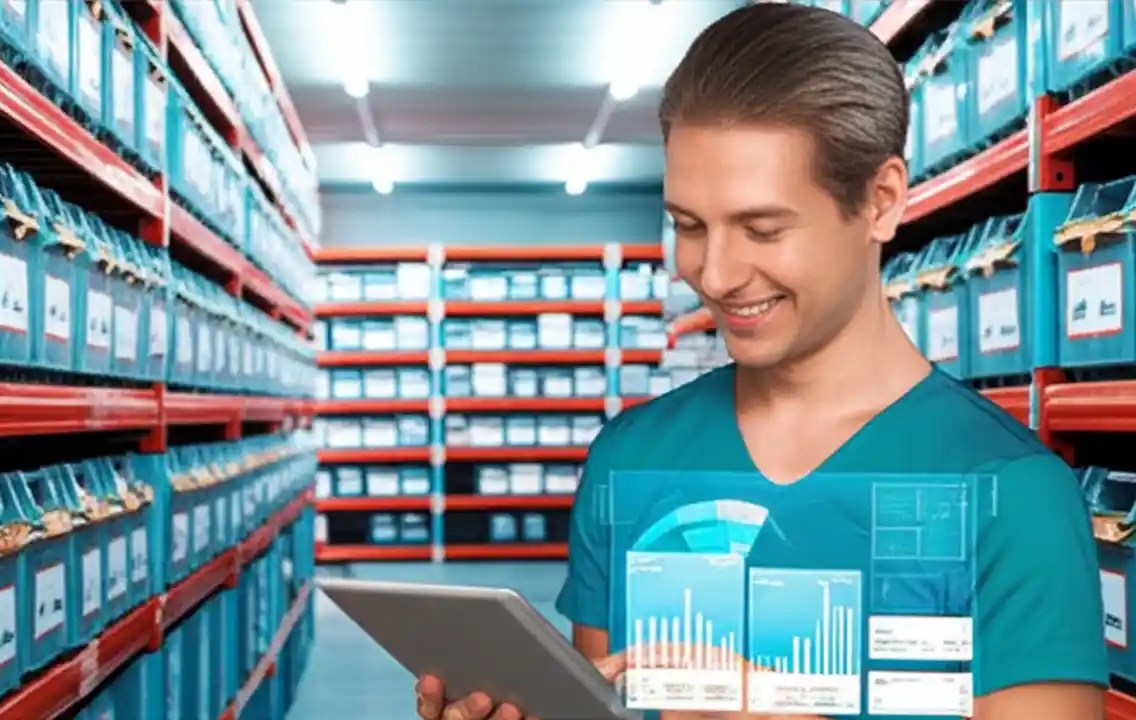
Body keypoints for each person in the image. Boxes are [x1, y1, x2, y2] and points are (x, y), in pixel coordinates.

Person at [415, 3, 1108, 719]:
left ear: (880, 201)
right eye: (689, 226)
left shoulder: (1013, 495)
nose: (714, 274)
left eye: (762, 228)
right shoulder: (631, 459)